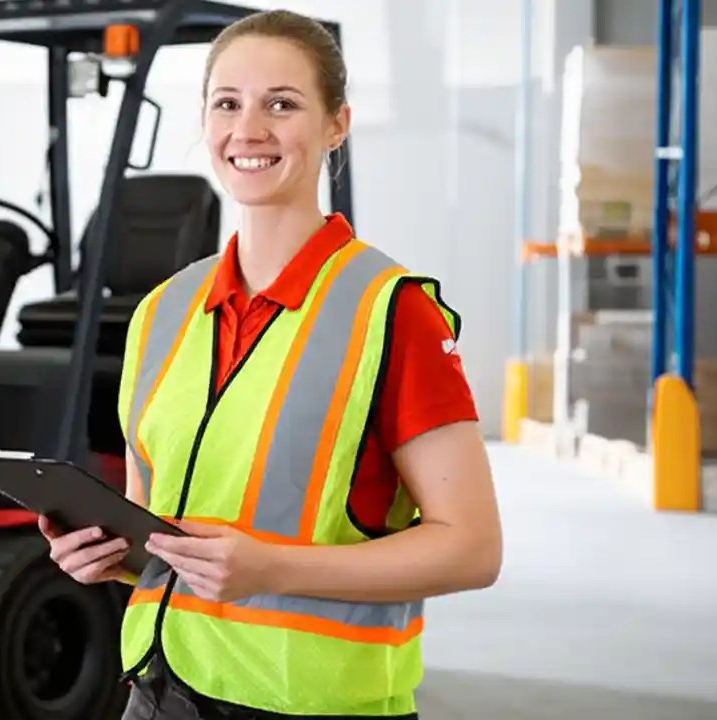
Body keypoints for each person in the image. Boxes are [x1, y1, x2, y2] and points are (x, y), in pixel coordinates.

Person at [39, 9, 502, 720]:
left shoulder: (389, 312)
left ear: (336, 125)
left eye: (281, 104)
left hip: (310, 704)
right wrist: (105, 552)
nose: (248, 129)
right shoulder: (163, 313)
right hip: (161, 692)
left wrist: (273, 567)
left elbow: (473, 549)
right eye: (228, 104)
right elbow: (160, 535)